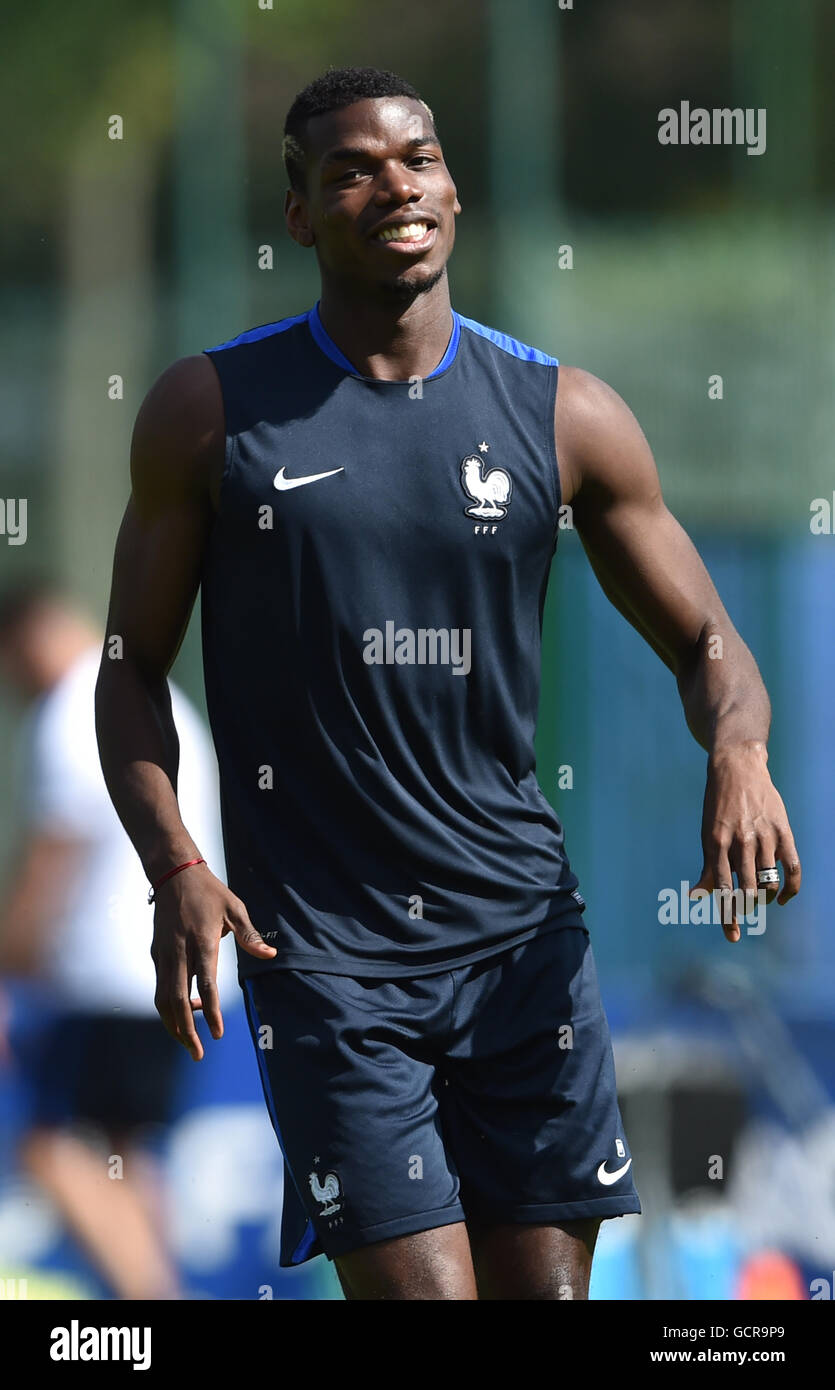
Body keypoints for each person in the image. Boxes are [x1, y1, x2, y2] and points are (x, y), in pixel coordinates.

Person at [94, 66, 801, 1301]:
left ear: (455, 189)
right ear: (299, 211)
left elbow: (709, 645)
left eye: (415, 158)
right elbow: (130, 673)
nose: (394, 187)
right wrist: (177, 867)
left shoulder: (563, 414)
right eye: (352, 169)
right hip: (324, 959)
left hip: (525, 943)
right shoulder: (210, 415)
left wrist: (736, 751)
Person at [0, 585, 228, 1299]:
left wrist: (10, 959)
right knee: (128, 1155)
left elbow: (54, 859)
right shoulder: (160, 705)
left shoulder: (74, 709)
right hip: (169, 969)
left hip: (108, 976)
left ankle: (151, 1303)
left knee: (51, 1151)